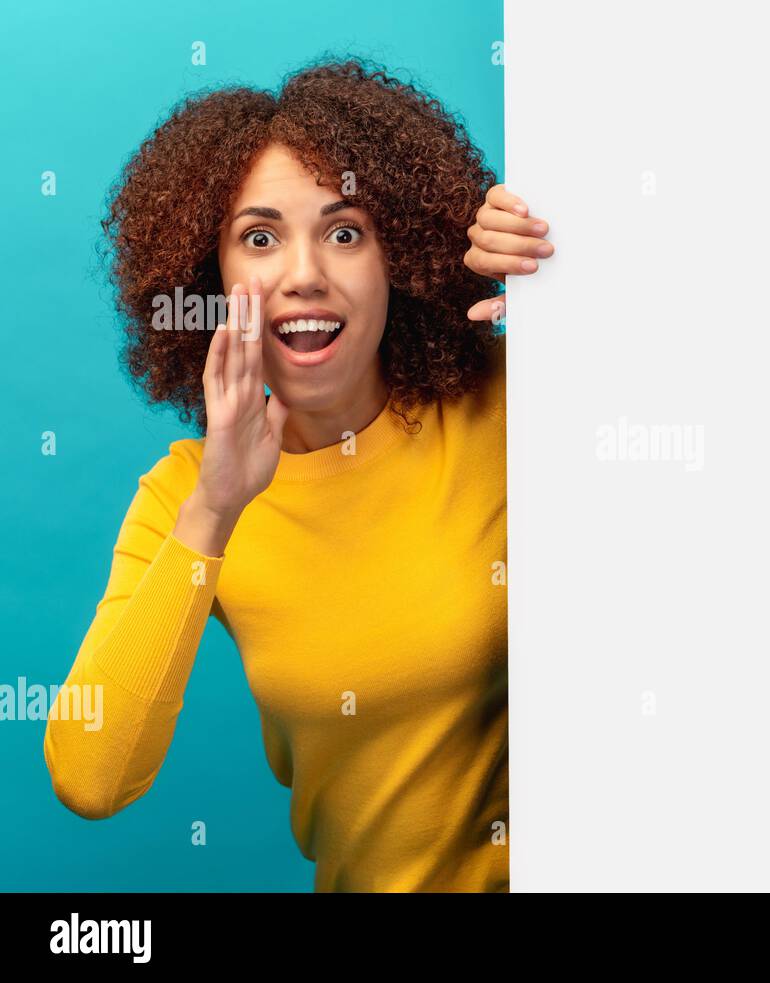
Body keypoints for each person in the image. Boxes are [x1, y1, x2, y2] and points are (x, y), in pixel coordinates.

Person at [42, 59, 553, 892]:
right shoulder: (187, 494)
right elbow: (88, 777)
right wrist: (216, 508)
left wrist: (568, 276)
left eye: (345, 232)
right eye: (260, 236)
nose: (304, 271)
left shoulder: (501, 402)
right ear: (212, 279)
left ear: (401, 257)